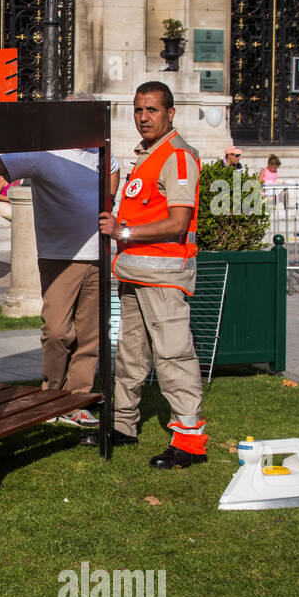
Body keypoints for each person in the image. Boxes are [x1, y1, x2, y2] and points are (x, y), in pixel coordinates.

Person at [83, 81, 207, 469]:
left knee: (174, 356)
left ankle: (189, 443)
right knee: (130, 356)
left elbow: (177, 222)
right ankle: (123, 426)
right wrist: (122, 225)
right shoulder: (146, 155)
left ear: (171, 114)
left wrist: (124, 232)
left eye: (152, 110)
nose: (143, 117)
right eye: (138, 110)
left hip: (165, 276)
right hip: (136, 273)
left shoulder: (178, 156)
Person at [0, 94, 120, 426]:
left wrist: (109, 202)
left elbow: (114, 171)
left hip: (97, 257)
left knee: (89, 335)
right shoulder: (44, 154)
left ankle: (76, 400)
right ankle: (51, 396)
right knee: (58, 332)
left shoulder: (101, 153)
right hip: (60, 257)